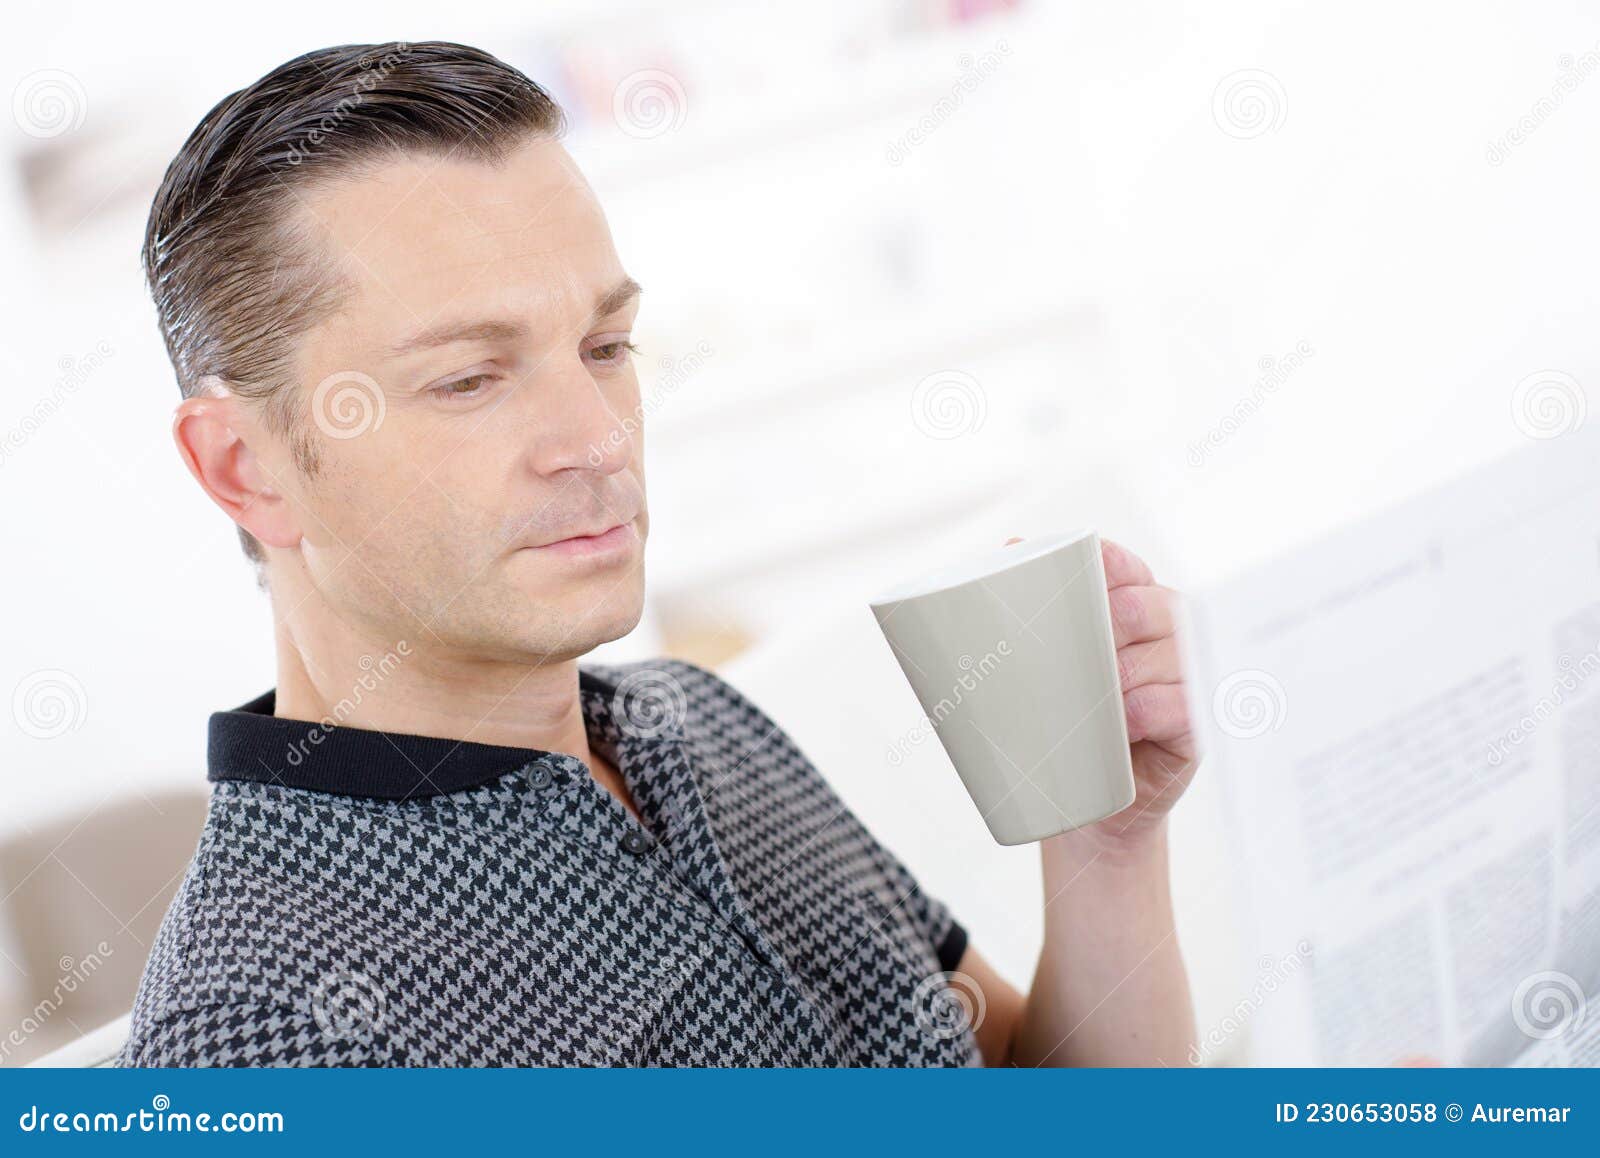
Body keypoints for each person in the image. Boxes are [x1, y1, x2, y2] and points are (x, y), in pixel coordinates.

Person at [119, 41, 1199, 1067]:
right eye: (467, 379)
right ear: (243, 468)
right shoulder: (261, 1032)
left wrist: (1103, 846)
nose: (597, 439)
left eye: (604, 348)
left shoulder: (694, 724)